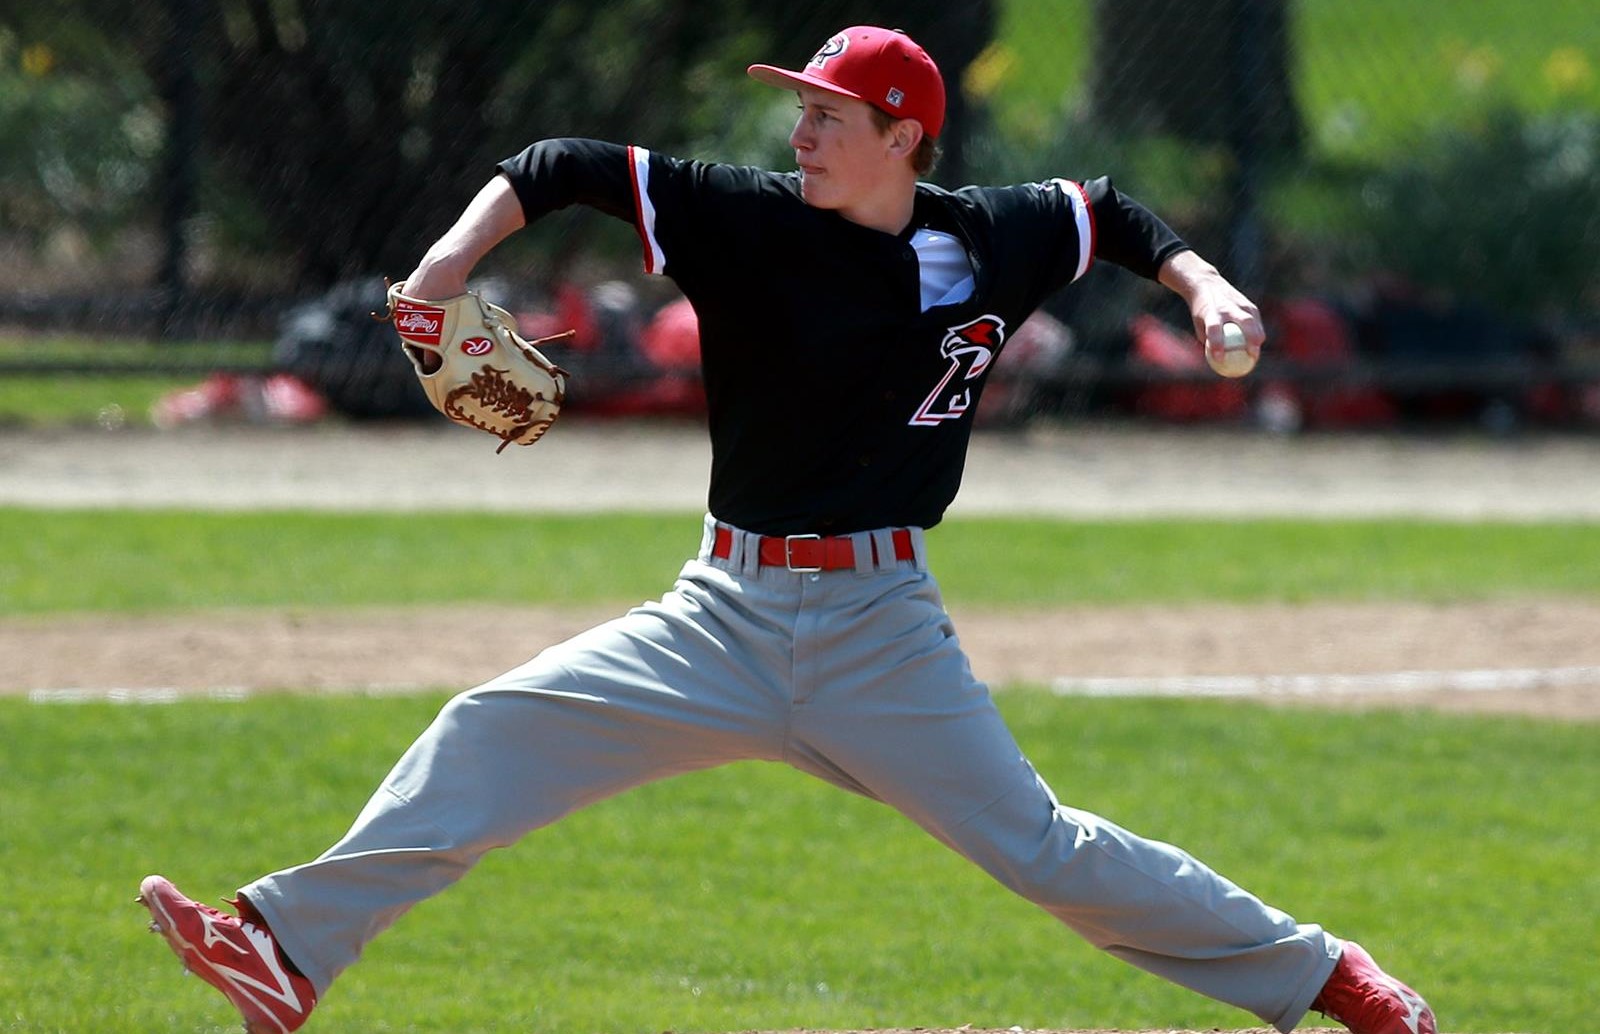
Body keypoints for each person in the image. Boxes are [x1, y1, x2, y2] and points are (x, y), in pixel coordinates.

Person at [139, 26, 1435, 1034]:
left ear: (901, 136)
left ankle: (1331, 976)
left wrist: (1211, 291)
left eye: (827, 114)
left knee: (1045, 851)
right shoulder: (747, 218)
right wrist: (439, 271)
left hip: (881, 631)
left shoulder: (995, 235)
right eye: (799, 109)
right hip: (721, 615)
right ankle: (286, 951)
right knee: (491, 730)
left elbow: (1113, 214)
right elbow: (559, 166)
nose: (800, 131)